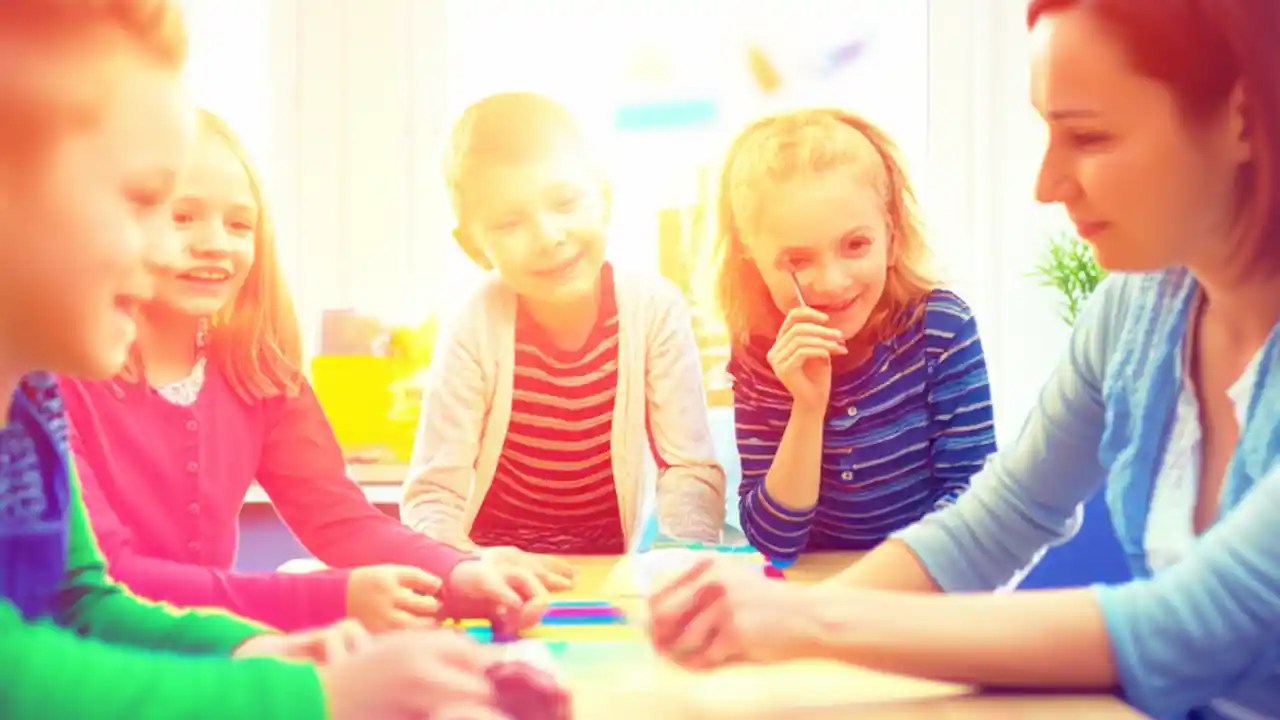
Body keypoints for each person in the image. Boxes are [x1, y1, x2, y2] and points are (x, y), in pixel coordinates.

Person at [646, 1, 1280, 718]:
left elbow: (1180, 630)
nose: (1046, 182)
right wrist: (761, 617)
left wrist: (804, 621)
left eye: (1090, 136)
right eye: (1047, 132)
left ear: (1242, 115)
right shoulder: (1136, 312)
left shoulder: (944, 324)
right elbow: (998, 518)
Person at [0, 2, 524, 718]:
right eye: (145, 202)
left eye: (234, 222)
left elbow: (82, 603)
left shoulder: (33, 403)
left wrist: (249, 649)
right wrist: (309, 691)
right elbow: (20, 671)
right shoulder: (65, 382)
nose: (171, 249)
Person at [60, 108, 548, 634]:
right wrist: (328, 598)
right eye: (183, 217)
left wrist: (460, 572)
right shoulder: (54, 380)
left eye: (239, 224)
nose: (216, 242)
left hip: (216, 657)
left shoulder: (257, 373)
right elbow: (109, 581)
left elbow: (341, 522)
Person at [403, 92, 726, 565]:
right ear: (474, 246)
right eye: (511, 222)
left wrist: (679, 561)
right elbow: (434, 495)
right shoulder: (473, 322)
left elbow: (688, 469)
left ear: (605, 198)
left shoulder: (654, 308)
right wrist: (464, 568)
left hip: (608, 571)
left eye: (566, 202)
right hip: (492, 570)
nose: (549, 237)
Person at [712, 108, 995, 561]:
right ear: (754, 263)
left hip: (925, 585)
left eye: (855, 245)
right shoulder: (758, 351)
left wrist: (881, 586)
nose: (832, 282)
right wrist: (807, 408)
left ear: (892, 237)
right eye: (797, 261)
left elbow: (974, 505)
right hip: (818, 599)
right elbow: (774, 542)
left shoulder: (941, 330)